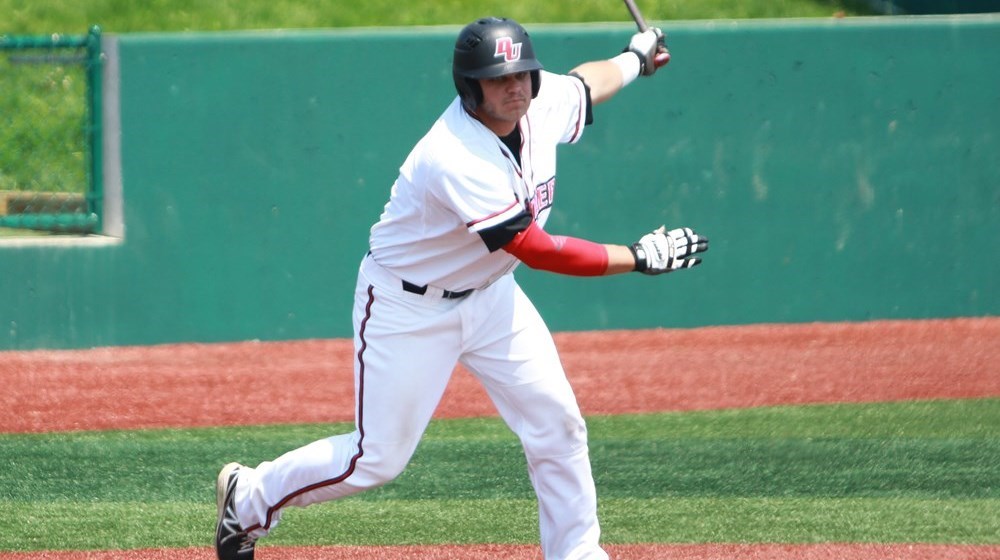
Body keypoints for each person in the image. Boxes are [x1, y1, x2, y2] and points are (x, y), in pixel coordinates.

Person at [215, 16, 708, 560]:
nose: (515, 86)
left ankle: (577, 552)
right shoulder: (455, 154)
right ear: (471, 88)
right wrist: (638, 257)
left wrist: (635, 57)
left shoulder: (536, 100)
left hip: (491, 294)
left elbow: (587, 84)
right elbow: (538, 250)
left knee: (557, 422)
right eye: (499, 79)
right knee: (375, 459)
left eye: (522, 73)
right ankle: (248, 497)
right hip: (409, 307)